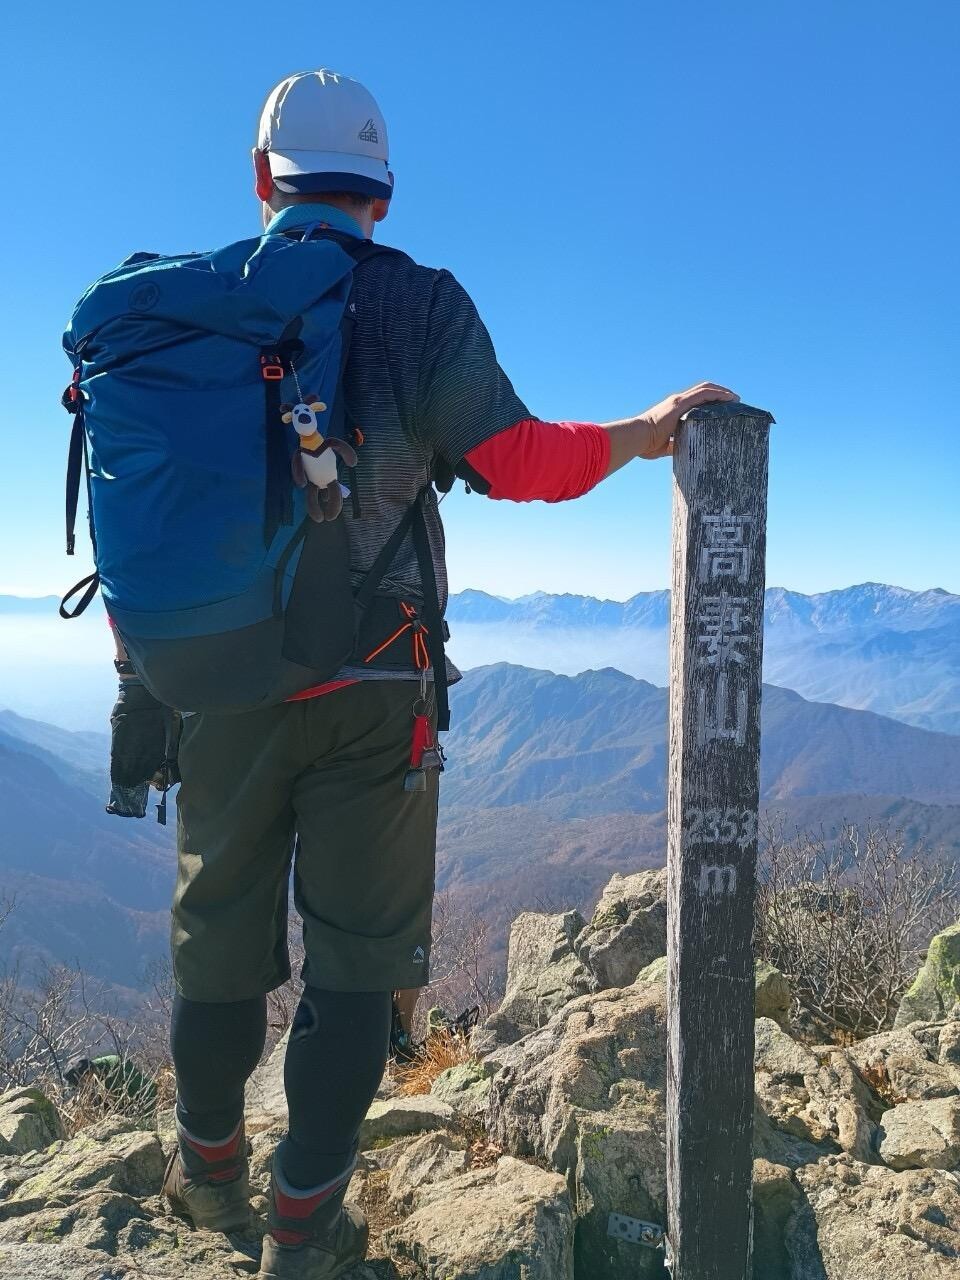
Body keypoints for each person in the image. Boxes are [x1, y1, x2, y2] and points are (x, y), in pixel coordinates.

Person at [105, 69, 735, 1280]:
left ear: (260, 180)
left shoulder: (191, 317)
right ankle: (305, 1227)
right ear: (381, 195)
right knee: (350, 968)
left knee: (217, 947)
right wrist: (648, 430)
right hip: (372, 692)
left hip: (215, 686)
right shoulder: (420, 305)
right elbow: (521, 460)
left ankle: (209, 1178)